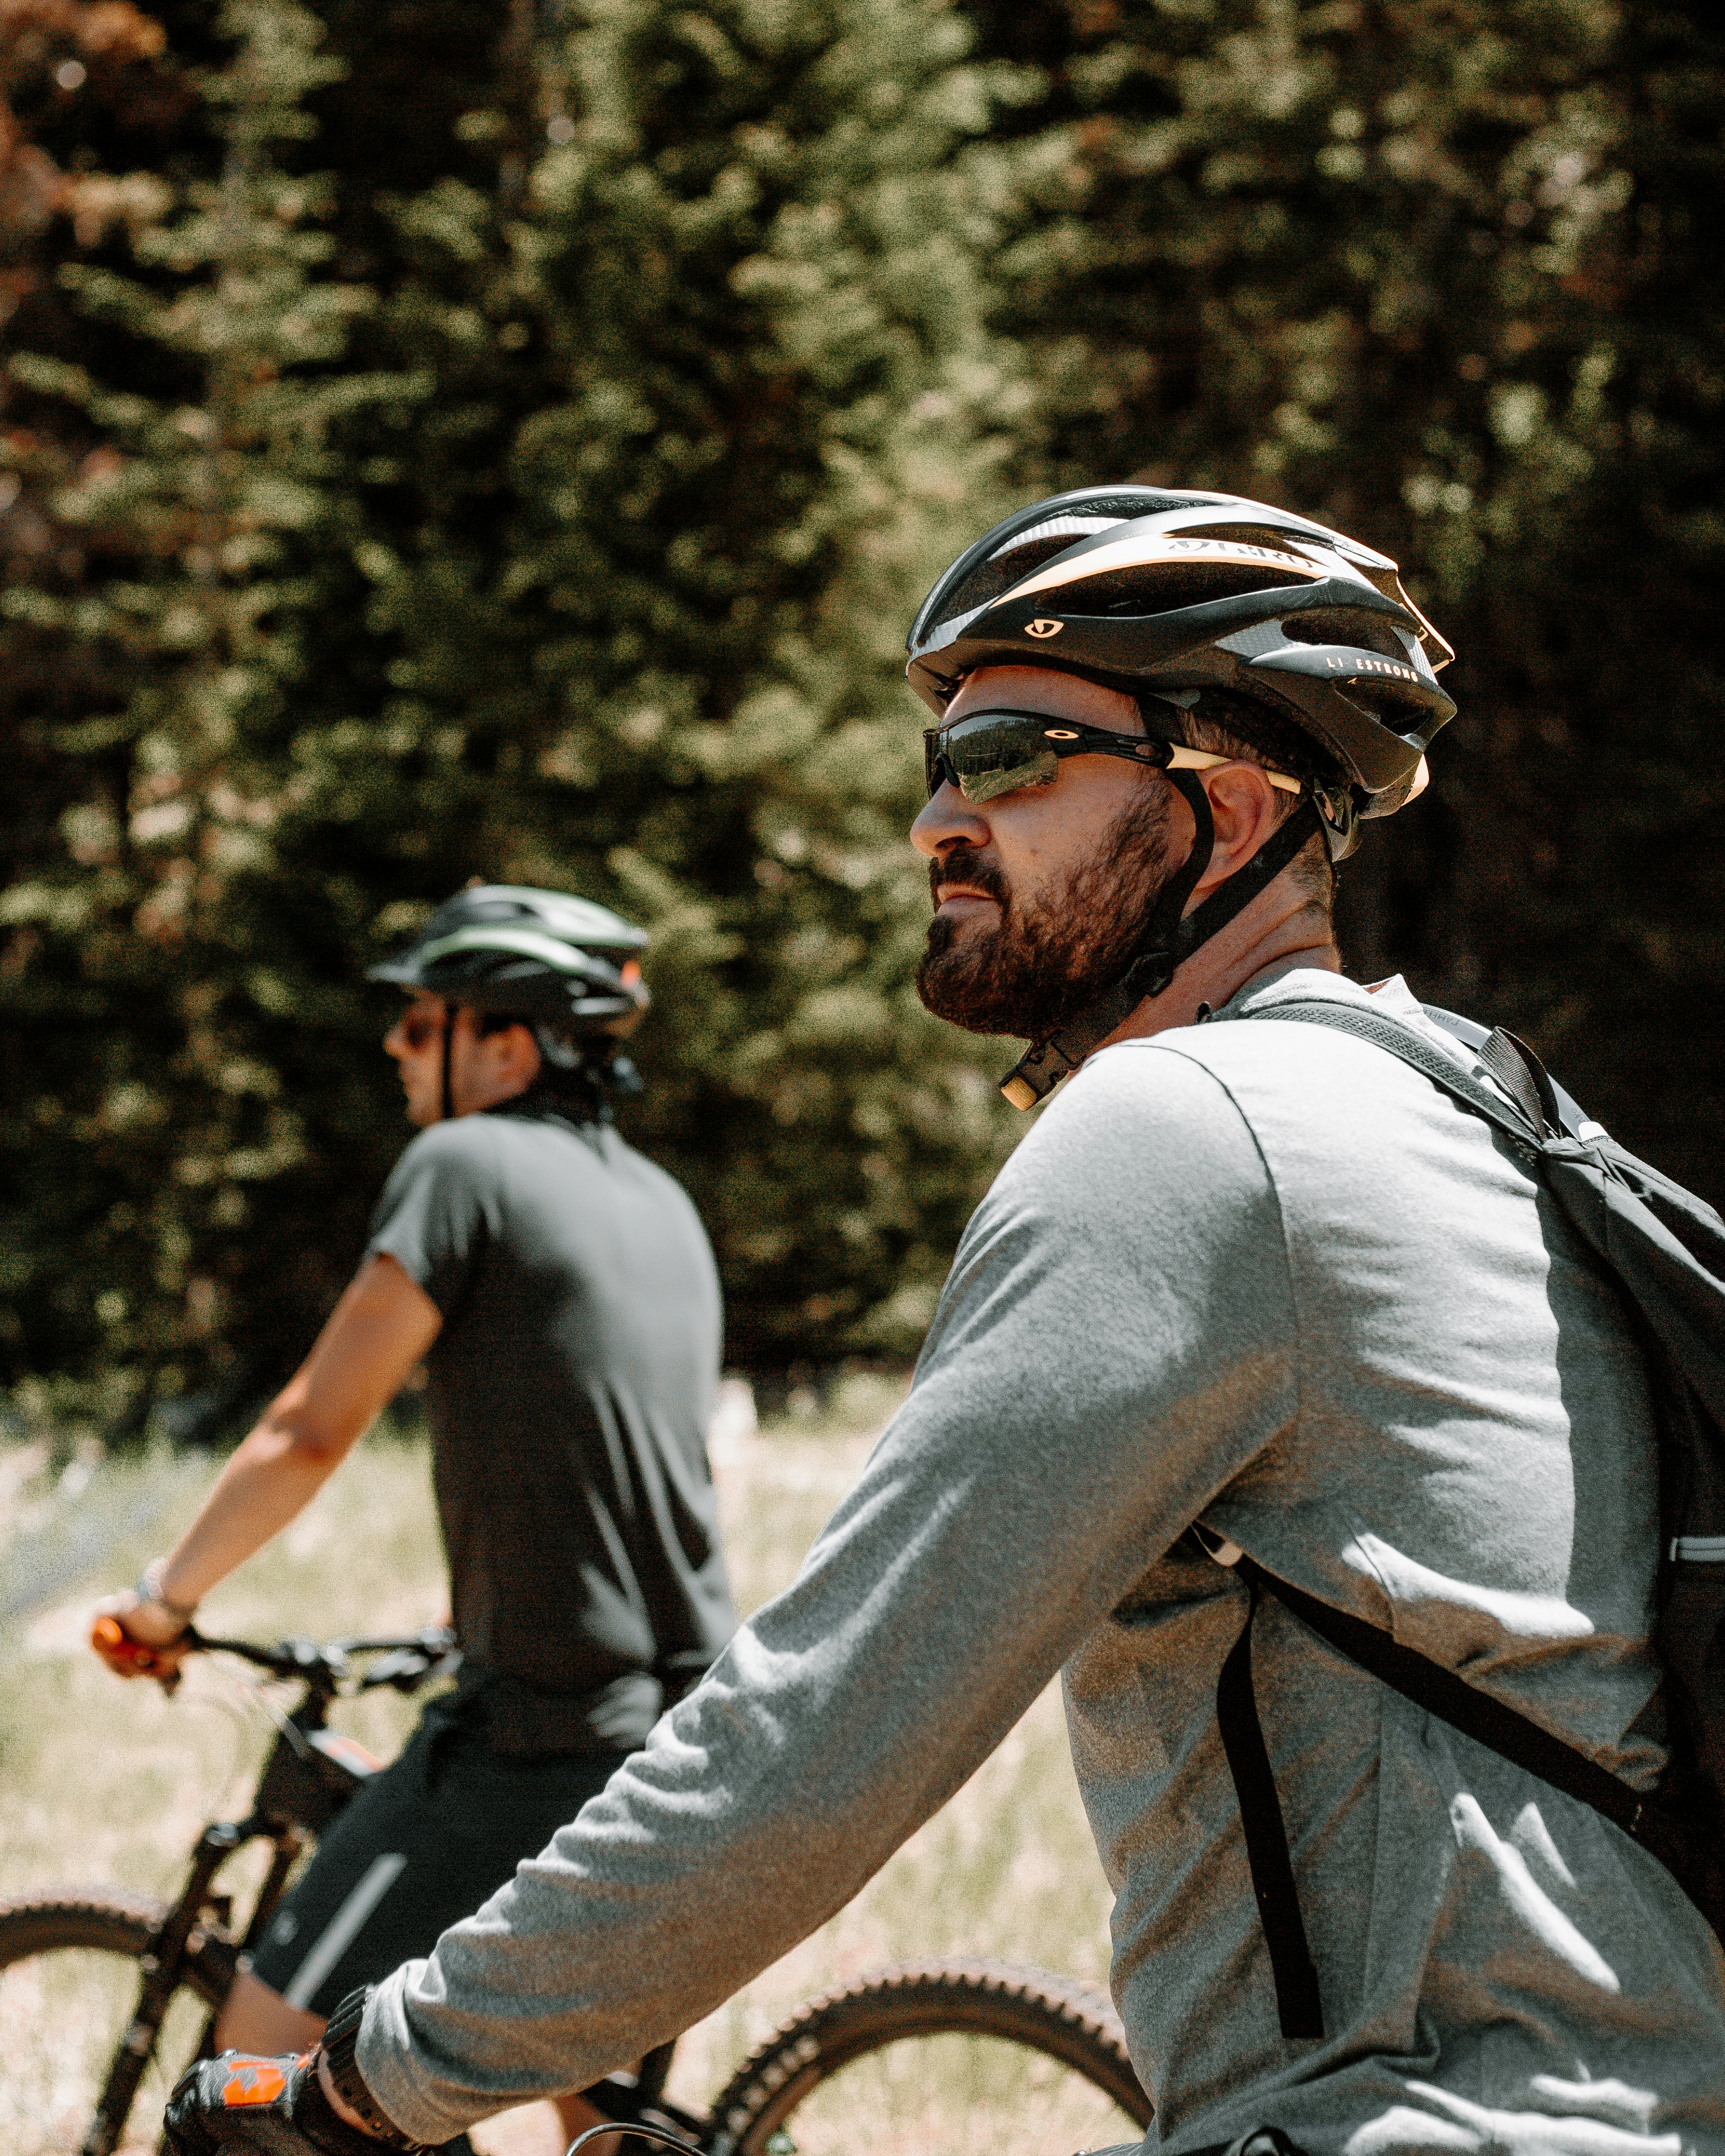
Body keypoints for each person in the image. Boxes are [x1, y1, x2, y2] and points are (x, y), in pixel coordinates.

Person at [165, 491, 1725, 2156]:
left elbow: (823, 1736)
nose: (935, 822)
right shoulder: (1471, 1098)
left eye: (1010, 757)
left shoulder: (1190, 1132)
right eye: (935, 766)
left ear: (1236, 805)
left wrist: (369, 2082)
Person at [97, 883, 736, 2155]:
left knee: (254, 2079)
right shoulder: (661, 1202)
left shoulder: (462, 1164)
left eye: (421, 1020)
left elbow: (306, 1431)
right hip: (680, 1727)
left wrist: (163, 1602)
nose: (394, 1045)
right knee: (594, 2106)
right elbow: (603, 1454)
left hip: (531, 1741)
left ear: (509, 1041)